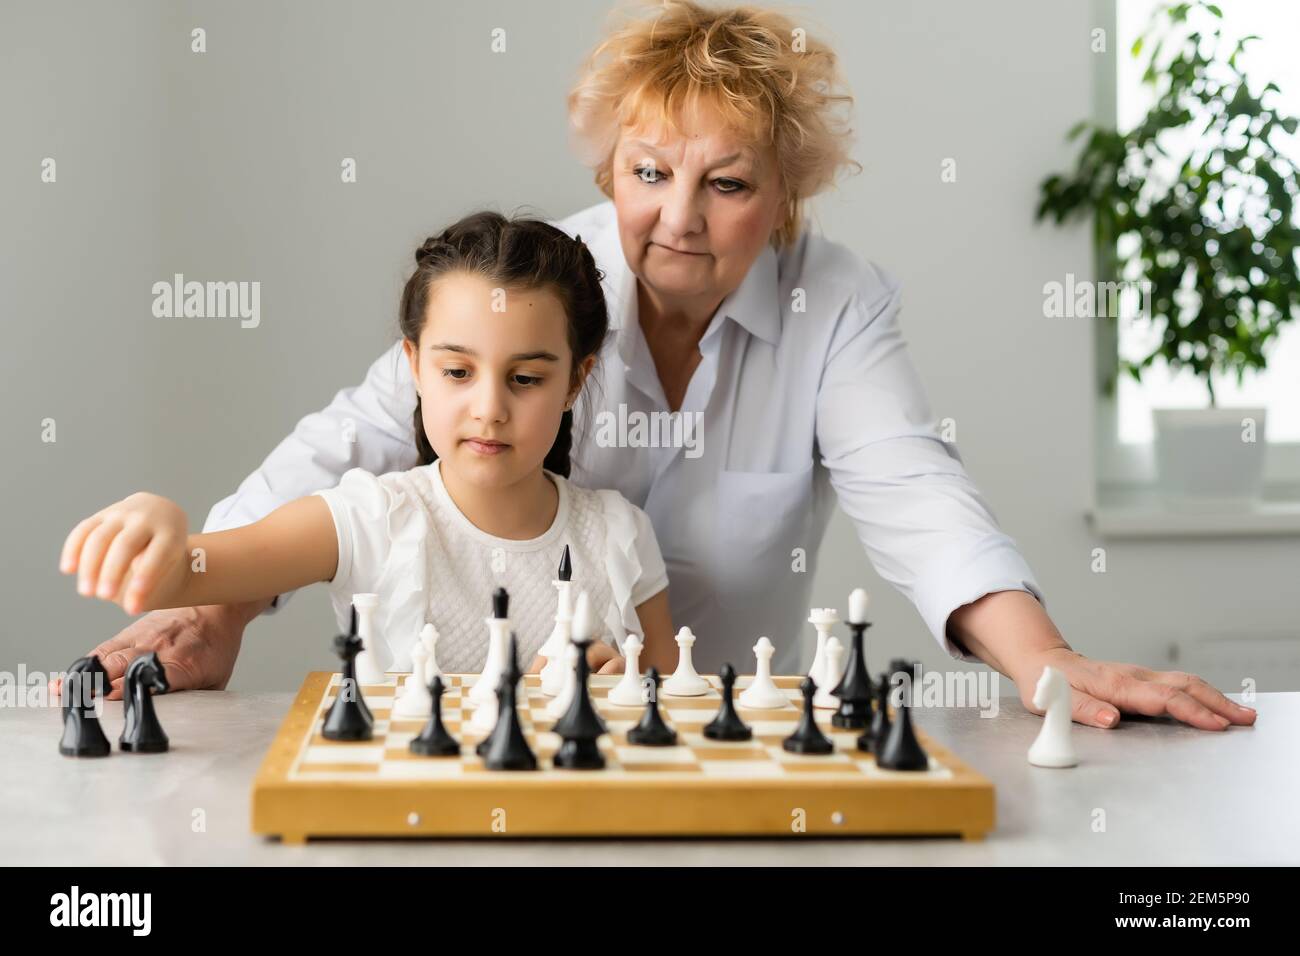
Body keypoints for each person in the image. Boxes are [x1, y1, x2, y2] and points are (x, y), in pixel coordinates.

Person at [58, 0, 1254, 732]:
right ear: (606, 170)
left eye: (727, 183)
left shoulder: (835, 302)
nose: (676, 219)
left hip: (709, 738)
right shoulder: (540, 292)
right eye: (646, 174)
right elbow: (359, 444)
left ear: (788, 194)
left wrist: (1044, 665)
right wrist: (208, 601)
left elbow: (918, 497)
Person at [59, 212, 675, 676]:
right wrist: (157, 528)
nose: (489, 409)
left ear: (577, 379)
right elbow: (192, 576)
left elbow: (675, 709)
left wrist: (626, 693)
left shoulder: (621, 535)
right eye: (457, 372)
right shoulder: (366, 520)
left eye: (526, 379)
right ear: (413, 364)